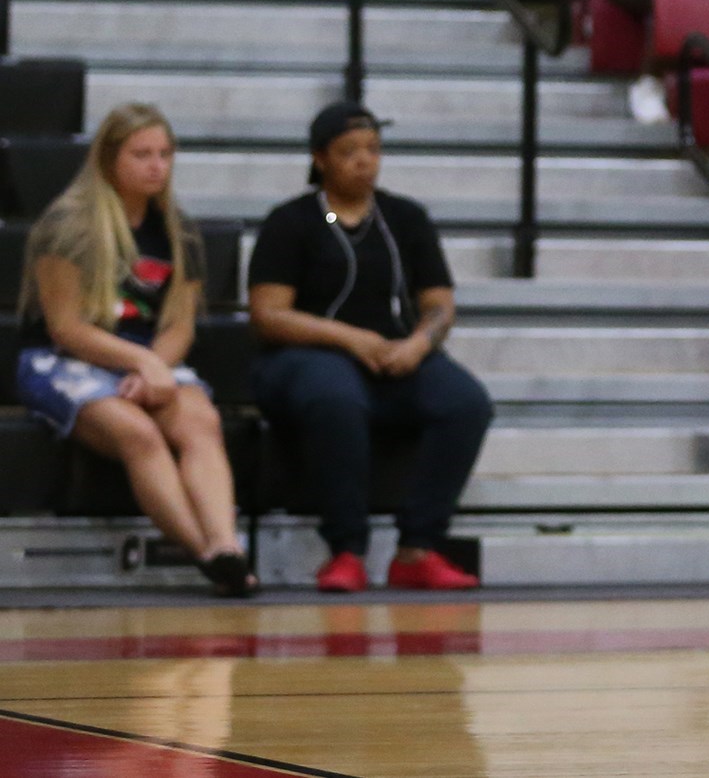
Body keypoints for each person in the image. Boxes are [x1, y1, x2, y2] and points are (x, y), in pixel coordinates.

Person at [247, 102, 492, 594]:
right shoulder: (297, 220)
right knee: (337, 396)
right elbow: (269, 314)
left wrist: (418, 344)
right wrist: (351, 338)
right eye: (349, 152)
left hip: (391, 354)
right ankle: (347, 550)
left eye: (373, 150)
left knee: (467, 402)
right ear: (320, 158)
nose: (364, 161)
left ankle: (417, 548)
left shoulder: (405, 218)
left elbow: (439, 304)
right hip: (307, 357)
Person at [15, 103, 254, 597]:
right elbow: (66, 328)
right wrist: (141, 363)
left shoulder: (178, 231)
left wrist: (154, 368)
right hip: (65, 358)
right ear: (109, 159)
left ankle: (227, 544)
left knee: (201, 422)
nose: (156, 166)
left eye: (164, 154)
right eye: (141, 154)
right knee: (138, 433)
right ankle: (209, 557)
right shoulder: (67, 225)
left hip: (148, 354)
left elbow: (179, 326)